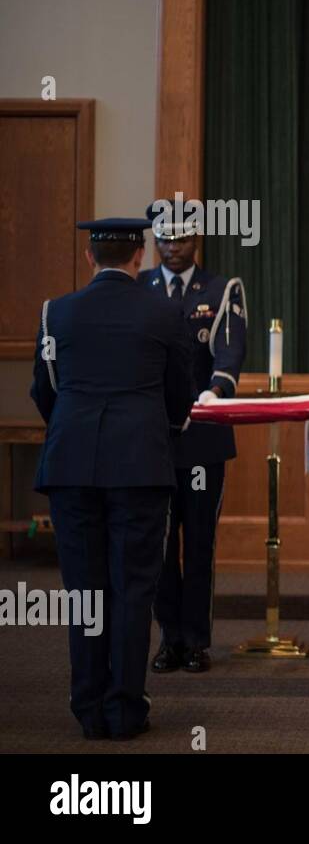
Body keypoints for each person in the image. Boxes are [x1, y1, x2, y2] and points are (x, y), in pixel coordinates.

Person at [31, 217, 194, 740]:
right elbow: (180, 395)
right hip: (140, 466)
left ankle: (88, 706)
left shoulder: (57, 312)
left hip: (72, 465)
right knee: (132, 589)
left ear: (89, 257)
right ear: (140, 255)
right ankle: (125, 708)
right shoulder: (165, 313)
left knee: (85, 591)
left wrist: (74, 426)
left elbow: (44, 389)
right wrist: (151, 427)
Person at [139, 205, 247, 674]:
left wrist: (214, 390)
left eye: (181, 240)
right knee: (161, 545)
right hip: (153, 439)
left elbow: (230, 350)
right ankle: (169, 639)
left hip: (202, 436)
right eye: (164, 240)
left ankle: (198, 640)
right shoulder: (140, 288)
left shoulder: (222, 289)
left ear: (196, 240)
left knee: (199, 542)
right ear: (154, 242)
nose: (172, 248)